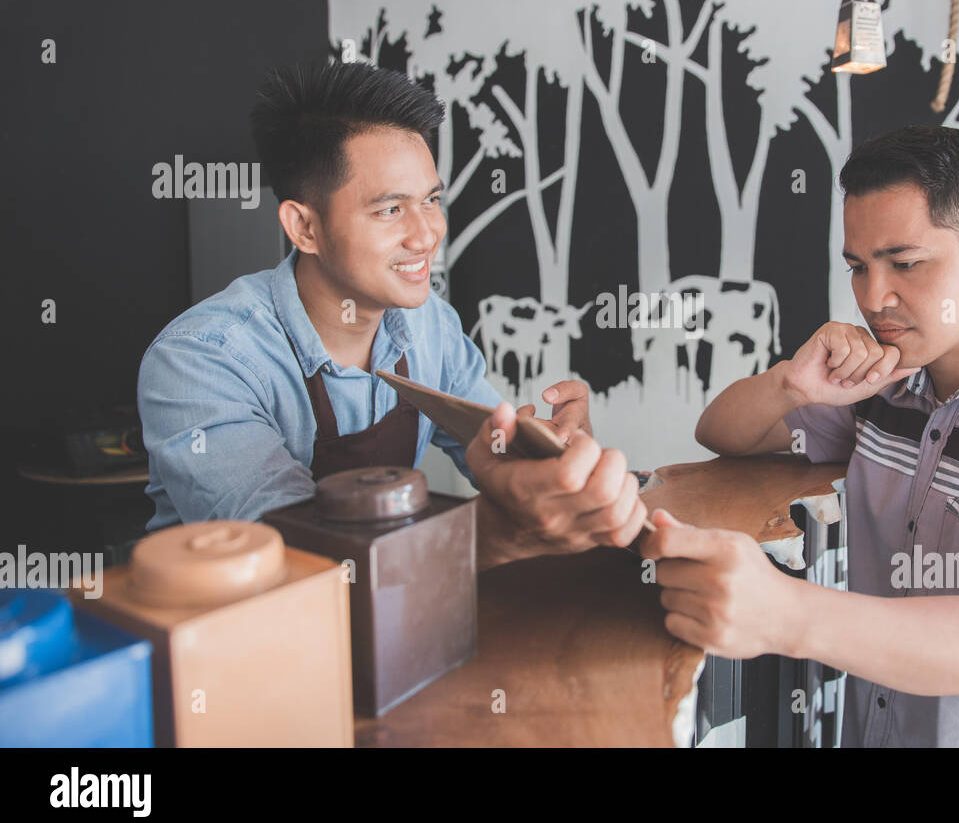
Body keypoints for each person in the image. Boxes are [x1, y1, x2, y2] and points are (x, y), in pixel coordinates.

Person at [642, 125, 959, 746]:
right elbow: (721, 433)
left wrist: (781, 613)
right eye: (858, 267)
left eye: (906, 263)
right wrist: (793, 385)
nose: (872, 296)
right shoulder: (880, 386)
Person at [138, 62, 646, 569]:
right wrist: (494, 537)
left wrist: (554, 461)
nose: (426, 235)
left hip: (396, 613)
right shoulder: (199, 361)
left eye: (430, 199)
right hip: (240, 630)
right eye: (389, 209)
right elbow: (296, 558)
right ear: (304, 228)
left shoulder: (431, 327)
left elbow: (493, 447)